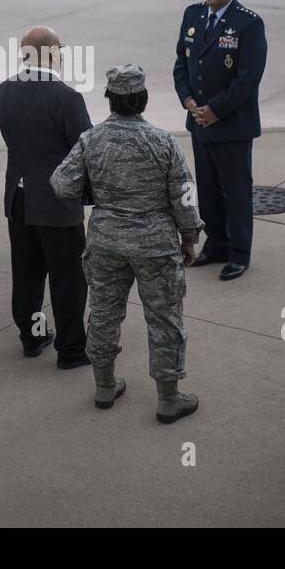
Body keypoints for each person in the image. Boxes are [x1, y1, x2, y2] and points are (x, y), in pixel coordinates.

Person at [51, 64, 203, 423]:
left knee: (103, 313)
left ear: (111, 100)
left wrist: (95, 194)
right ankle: (168, 398)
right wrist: (190, 238)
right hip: (155, 244)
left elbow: (61, 183)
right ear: (143, 99)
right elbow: (183, 195)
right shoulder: (163, 141)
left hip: (105, 242)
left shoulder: (91, 139)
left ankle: (105, 385)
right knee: (165, 319)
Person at [0, 26, 92, 367]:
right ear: (50, 53)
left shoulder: (4, 91)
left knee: (27, 276)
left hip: (19, 200)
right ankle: (70, 349)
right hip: (56, 205)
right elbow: (85, 153)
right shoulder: (67, 98)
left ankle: (32, 337)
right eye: (60, 48)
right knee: (67, 281)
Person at [172, 0, 267, 282]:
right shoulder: (193, 15)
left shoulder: (248, 24)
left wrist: (215, 110)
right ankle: (217, 244)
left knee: (235, 191)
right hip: (199, 122)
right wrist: (188, 101)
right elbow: (182, 64)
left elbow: (248, 79)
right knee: (209, 189)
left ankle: (239, 252)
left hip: (231, 125)